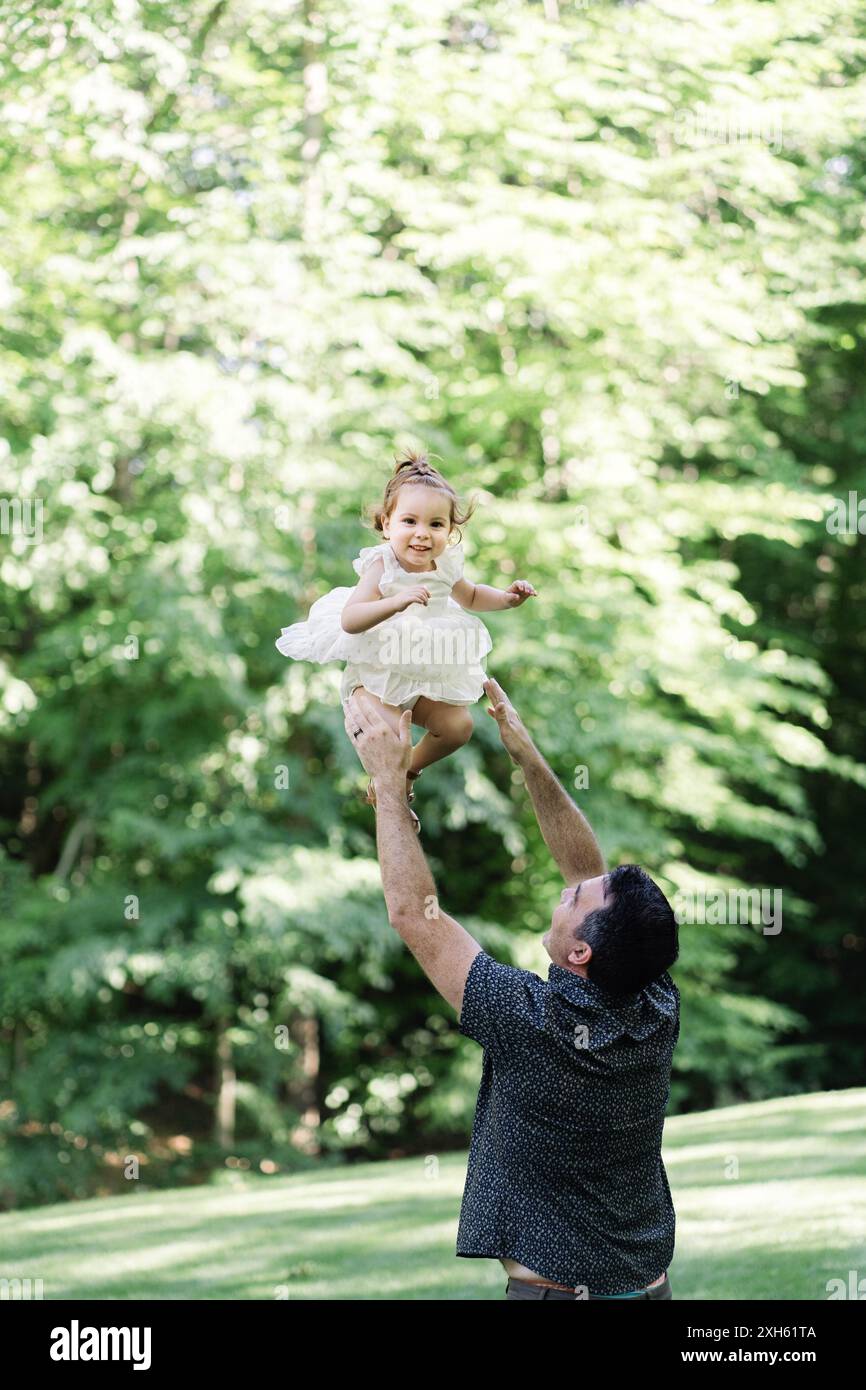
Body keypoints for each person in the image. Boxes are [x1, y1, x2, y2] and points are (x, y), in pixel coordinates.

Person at [343, 675, 680, 1301]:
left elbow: (416, 916)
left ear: (580, 952)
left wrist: (389, 786)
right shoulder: (655, 1001)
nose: (565, 889)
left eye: (572, 902)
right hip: (646, 1287)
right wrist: (528, 759)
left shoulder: (531, 1021)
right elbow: (587, 869)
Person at [276, 448, 537, 829]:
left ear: (450, 531)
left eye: (435, 524)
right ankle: (392, 791)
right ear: (386, 525)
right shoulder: (382, 565)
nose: (421, 533)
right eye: (409, 521)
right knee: (392, 743)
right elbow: (351, 619)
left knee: (458, 728)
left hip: (424, 671)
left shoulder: (445, 565)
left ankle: (407, 774)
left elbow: (473, 596)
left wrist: (508, 599)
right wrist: (395, 602)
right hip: (378, 680)